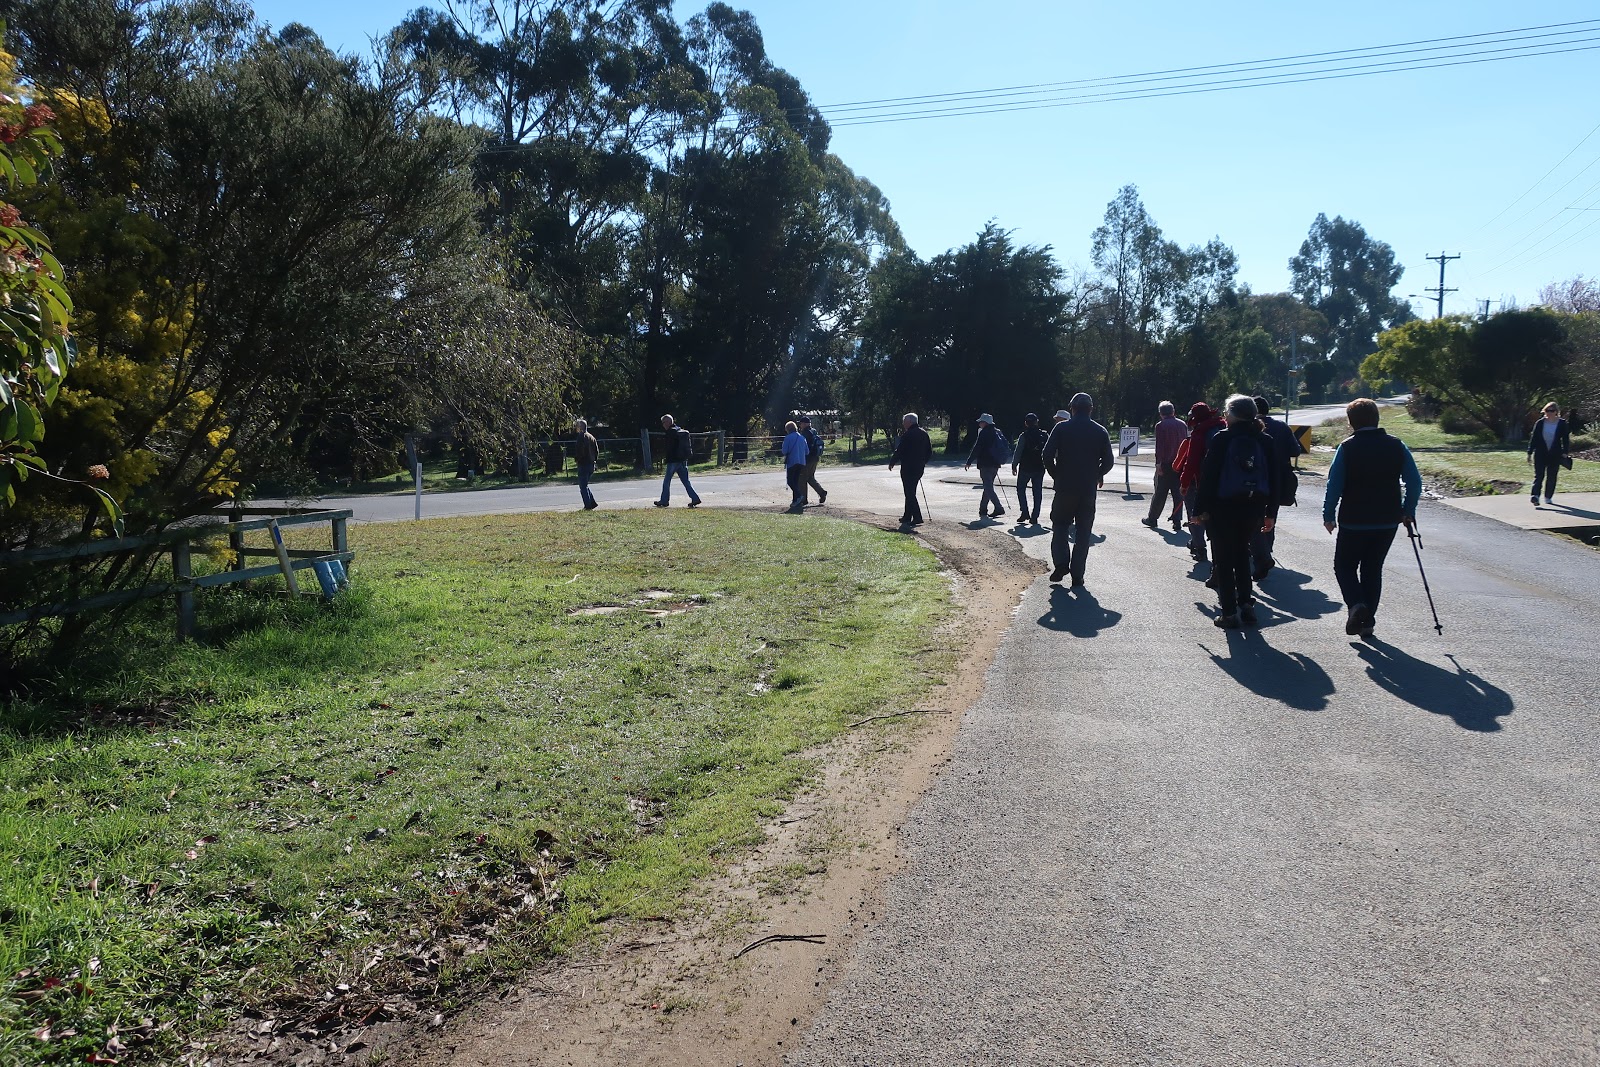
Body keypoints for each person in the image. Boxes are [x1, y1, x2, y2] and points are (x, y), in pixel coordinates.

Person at [1322, 398, 1422, 639]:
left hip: (1353, 519)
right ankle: (1367, 622)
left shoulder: (1347, 447)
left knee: (1344, 566)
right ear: (1377, 418)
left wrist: (1328, 514)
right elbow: (1415, 482)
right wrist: (1407, 510)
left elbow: (1334, 484)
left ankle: (1356, 605)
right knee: (1372, 569)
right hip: (1387, 519)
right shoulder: (1397, 446)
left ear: (1351, 422)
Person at [1195, 396, 1278, 629]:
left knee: (1222, 558)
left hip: (1223, 506)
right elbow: (1274, 478)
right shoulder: (1265, 440)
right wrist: (1270, 512)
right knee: (1242, 553)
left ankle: (1229, 613)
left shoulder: (1222, 438)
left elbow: (1208, 477)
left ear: (1232, 414)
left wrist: (1199, 510)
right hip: (1254, 506)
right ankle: (1246, 605)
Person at [1041, 392, 1114, 587]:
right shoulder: (1100, 431)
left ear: (1072, 408)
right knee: (1083, 532)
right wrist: (1096, 474)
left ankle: (1061, 563)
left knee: (1059, 525)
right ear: (1091, 409)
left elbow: (1046, 454)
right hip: (1087, 489)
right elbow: (1109, 462)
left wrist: (1056, 474)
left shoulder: (1061, 428)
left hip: (1065, 487)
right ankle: (1077, 575)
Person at [1250, 396, 1303, 580]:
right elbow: (1295, 451)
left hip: (1254, 479)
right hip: (1279, 479)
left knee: (1253, 516)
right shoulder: (1282, 427)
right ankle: (1267, 550)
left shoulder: (1248, 428)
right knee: (1270, 515)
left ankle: (1260, 554)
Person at [1177, 401, 1226, 562]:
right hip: (1224, 481)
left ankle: (1199, 548)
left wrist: (1184, 484)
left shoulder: (1199, 433)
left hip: (1200, 482)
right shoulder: (1224, 427)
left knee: (1195, 513)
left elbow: (1191, 462)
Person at [1142, 401, 1188, 532]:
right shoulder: (1182, 424)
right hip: (1180, 463)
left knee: (1160, 493)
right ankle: (1177, 520)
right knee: (1177, 493)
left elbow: (1160, 447)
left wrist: (1158, 464)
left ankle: (1153, 518)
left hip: (1166, 463)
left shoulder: (1161, 426)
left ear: (1161, 413)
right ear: (1173, 411)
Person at [889, 412, 933, 526]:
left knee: (909, 492)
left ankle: (917, 517)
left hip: (908, 467)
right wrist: (923, 462)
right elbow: (929, 451)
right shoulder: (924, 433)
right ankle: (907, 516)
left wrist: (892, 462)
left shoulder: (908, 435)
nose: (903, 424)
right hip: (919, 467)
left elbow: (900, 450)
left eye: (904, 421)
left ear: (909, 422)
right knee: (910, 491)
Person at [1527, 401, 1572, 506]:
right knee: (1539, 476)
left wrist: (1565, 452)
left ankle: (1548, 497)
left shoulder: (1562, 423)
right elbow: (1534, 438)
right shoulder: (1540, 423)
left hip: (1555, 453)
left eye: (1551, 411)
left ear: (1556, 412)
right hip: (1540, 453)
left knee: (1551, 476)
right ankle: (1535, 496)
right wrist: (1529, 452)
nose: (1549, 413)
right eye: (1547, 410)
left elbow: (1565, 438)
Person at [964, 413, 1008, 518]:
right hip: (996, 463)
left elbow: (977, 448)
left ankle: (998, 507)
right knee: (988, 486)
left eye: (981, 422)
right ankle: (983, 509)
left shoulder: (984, 433)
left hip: (985, 463)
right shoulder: (998, 432)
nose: (979, 423)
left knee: (988, 487)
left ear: (985, 423)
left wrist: (969, 461)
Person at [654, 414, 701, 508]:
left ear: (667, 422)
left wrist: (666, 458)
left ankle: (664, 501)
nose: (663, 425)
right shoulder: (680, 430)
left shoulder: (670, 432)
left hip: (673, 461)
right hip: (683, 460)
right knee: (686, 481)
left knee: (667, 481)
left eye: (663, 422)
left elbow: (669, 448)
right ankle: (695, 498)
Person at [1011, 412, 1048, 525]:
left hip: (1025, 467)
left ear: (1026, 423)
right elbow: (1049, 451)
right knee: (1037, 493)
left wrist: (1014, 465)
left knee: (1020, 489)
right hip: (1039, 467)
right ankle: (1035, 516)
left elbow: (1018, 451)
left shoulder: (1024, 435)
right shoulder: (1044, 435)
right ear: (1037, 422)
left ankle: (1024, 512)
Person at [798, 415, 828, 505]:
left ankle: (804, 499)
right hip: (815, 458)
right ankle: (821, 492)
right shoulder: (814, 431)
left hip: (808, 458)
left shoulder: (805, 433)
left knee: (802, 478)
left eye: (801, 423)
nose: (800, 425)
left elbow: (803, 447)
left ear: (805, 424)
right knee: (810, 477)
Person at [571, 418, 599, 511]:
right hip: (591, 464)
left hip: (583, 463)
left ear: (581, 426)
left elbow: (580, 450)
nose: (577, 427)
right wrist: (594, 461)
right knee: (585, 485)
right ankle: (592, 503)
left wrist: (577, 459)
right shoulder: (592, 437)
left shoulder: (581, 436)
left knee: (582, 486)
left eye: (578, 425)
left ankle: (588, 506)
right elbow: (596, 451)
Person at [781, 420, 808, 509]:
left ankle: (799, 496)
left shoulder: (788, 438)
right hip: (801, 462)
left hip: (792, 462)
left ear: (788, 429)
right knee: (795, 481)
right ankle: (795, 500)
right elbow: (807, 451)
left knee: (790, 481)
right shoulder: (802, 437)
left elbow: (784, 451)